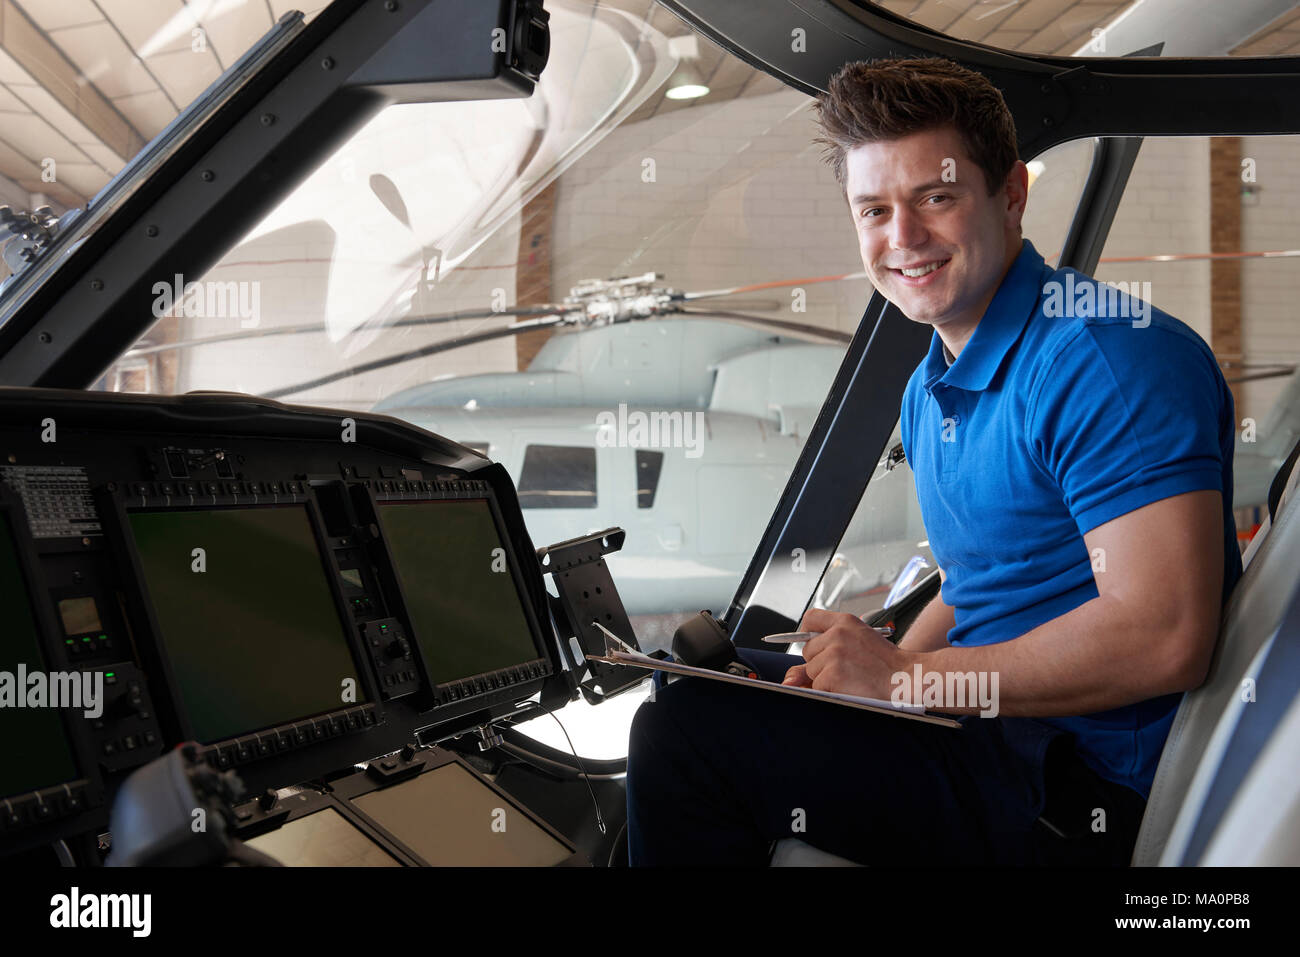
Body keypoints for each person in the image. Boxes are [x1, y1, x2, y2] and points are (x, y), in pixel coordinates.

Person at [624, 57, 1243, 866]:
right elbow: (983, 577)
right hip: (994, 736)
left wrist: (907, 685)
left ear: (1012, 193)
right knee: (716, 679)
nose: (903, 238)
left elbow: (1164, 637)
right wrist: (883, 673)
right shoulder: (931, 387)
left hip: (1082, 790)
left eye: (935, 197)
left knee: (685, 737)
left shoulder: (1104, 360)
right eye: (874, 209)